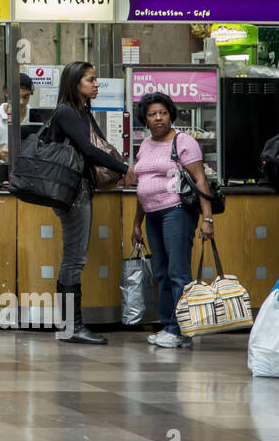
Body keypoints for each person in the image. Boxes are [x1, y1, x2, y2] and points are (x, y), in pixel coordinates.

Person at [49, 61, 135, 344]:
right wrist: (123, 169)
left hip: (78, 190)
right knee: (75, 258)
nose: (97, 84)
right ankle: (72, 327)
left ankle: (69, 326)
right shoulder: (67, 112)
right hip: (72, 193)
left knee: (74, 258)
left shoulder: (81, 111)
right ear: (76, 84)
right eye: (91, 80)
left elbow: (95, 146)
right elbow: (88, 150)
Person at [129, 91, 215, 350]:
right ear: (145, 119)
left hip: (176, 212)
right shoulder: (144, 145)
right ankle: (168, 325)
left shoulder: (183, 141)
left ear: (171, 115)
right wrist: (136, 223)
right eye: (152, 114)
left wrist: (207, 218)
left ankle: (180, 330)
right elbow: (142, 186)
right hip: (152, 215)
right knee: (162, 273)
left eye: (163, 113)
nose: (158, 118)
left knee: (178, 273)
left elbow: (200, 179)